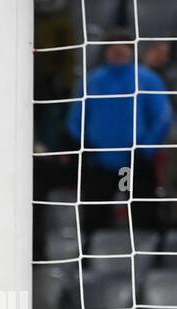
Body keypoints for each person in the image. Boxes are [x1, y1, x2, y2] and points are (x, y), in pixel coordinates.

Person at [67, 29, 173, 233]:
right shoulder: (93, 80)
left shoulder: (147, 79)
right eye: (113, 46)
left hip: (135, 163)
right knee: (94, 217)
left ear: (132, 50)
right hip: (100, 162)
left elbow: (163, 117)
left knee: (143, 215)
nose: (118, 50)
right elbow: (75, 118)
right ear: (105, 51)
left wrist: (146, 149)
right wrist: (85, 145)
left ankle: (151, 257)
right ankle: (90, 257)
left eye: (123, 46)